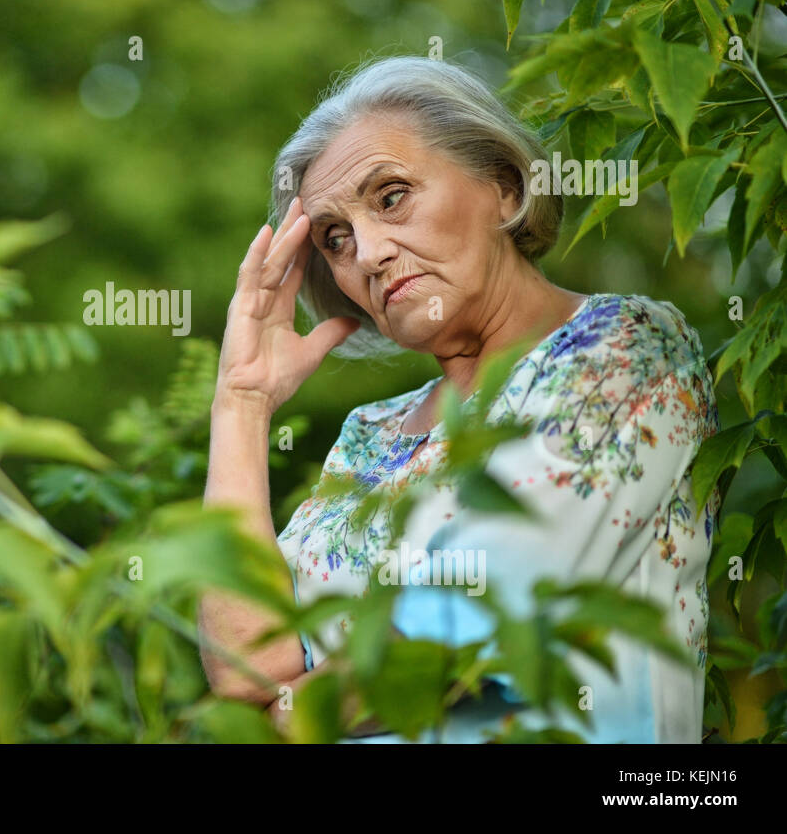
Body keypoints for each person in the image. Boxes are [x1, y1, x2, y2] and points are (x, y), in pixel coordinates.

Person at [196, 55, 721, 743]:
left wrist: (284, 714)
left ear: (503, 188)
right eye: (336, 238)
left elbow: (470, 628)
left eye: (391, 196)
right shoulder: (370, 434)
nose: (370, 254)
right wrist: (241, 401)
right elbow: (246, 674)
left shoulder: (625, 348)